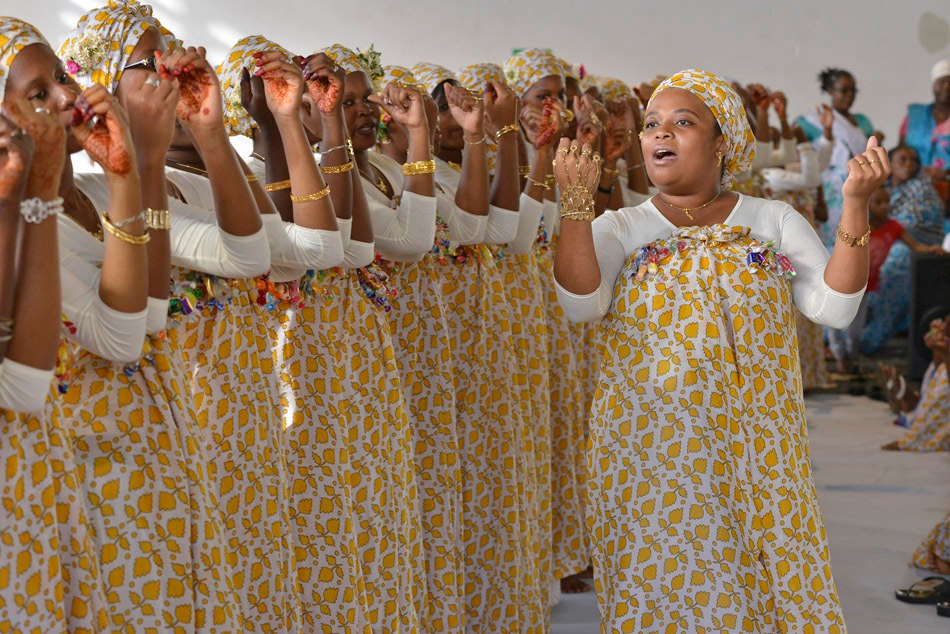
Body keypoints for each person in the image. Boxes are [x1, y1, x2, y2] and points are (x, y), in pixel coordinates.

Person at [553, 68, 889, 631]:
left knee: (758, 585)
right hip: (651, 453)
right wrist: (574, 207)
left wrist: (855, 204)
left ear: (722, 142)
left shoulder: (770, 219)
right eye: (652, 124)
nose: (661, 133)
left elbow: (833, 307)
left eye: (683, 122)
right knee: (661, 586)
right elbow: (581, 303)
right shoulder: (622, 227)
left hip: (757, 449)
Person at [828, 184, 943, 373]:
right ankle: (840, 356)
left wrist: (932, 249)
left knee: (855, 330)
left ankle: (852, 358)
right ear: (866, 205)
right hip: (842, 281)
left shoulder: (893, 227)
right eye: (878, 202)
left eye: (887, 202)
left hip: (863, 286)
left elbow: (915, 246)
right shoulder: (858, 226)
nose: (885, 206)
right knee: (834, 322)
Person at [860, 145, 947, 353]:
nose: (909, 164)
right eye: (903, 159)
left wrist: (884, 230)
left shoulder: (922, 188)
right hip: (884, 241)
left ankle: (870, 340)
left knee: (897, 260)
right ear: (889, 164)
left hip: (912, 243)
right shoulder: (884, 189)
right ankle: (841, 337)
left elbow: (913, 225)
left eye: (914, 160)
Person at [795, 68, 882, 246]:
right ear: (830, 91)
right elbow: (799, 150)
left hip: (859, 183)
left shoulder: (862, 121)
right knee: (832, 239)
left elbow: (869, 151)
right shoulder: (811, 121)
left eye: (853, 90)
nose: (849, 95)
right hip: (829, 191)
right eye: (844, 90)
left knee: (856, 233)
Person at [900, 59, 950, 202]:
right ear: (934, 85)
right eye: (942, 81)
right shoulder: (915, 115)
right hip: (912, 190)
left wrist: (946, 174)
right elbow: (901, 151)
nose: (947, 86)